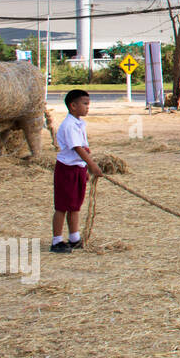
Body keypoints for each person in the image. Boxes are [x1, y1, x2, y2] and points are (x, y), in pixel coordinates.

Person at [51, 89, 101, 253]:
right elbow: (78, 149)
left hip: (77, 169)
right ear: (73, 106)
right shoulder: (69, 125)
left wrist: (84, 168)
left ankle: (74, 238)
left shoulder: (79, 123)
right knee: (62, 206)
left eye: (88, 104)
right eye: (85, 104)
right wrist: (92, 165)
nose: (88, 107)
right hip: (67, 170)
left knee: (74, 205)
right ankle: (57, 241)